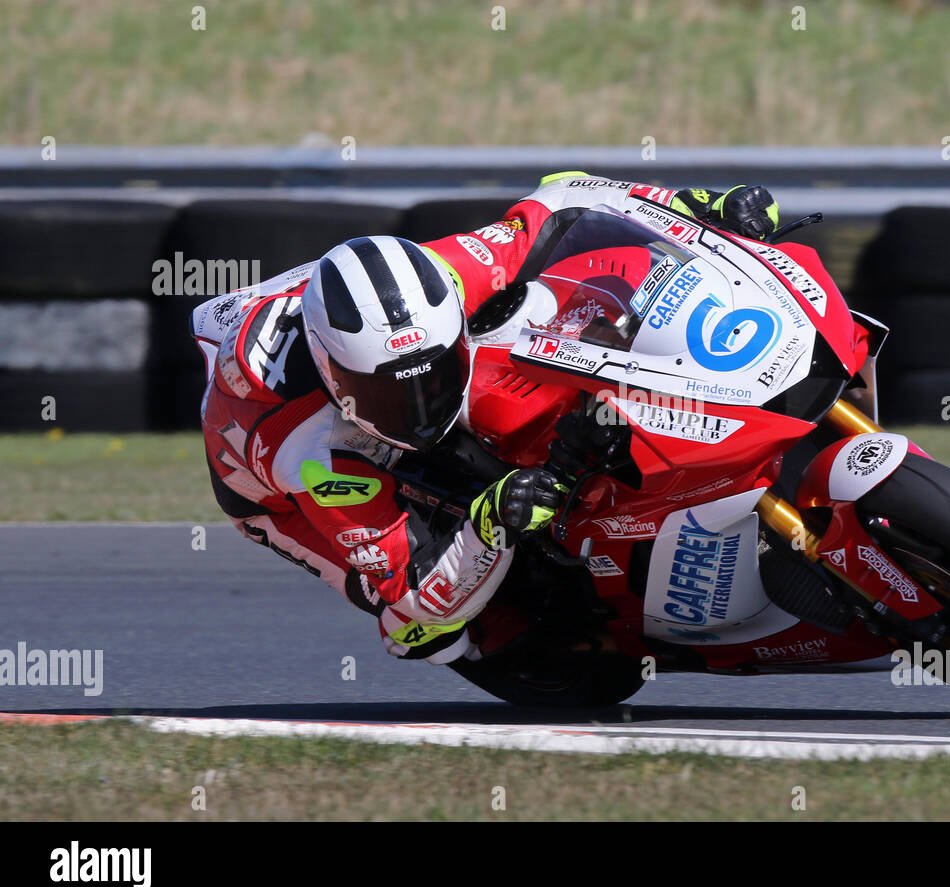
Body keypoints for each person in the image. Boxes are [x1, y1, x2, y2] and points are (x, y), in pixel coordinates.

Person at [191, 173, 779, 667]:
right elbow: (414, 605)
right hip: (271, 488)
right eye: (396, 395)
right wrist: (491, 523)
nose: (423, 408)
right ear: (334, 375)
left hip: (355, 354)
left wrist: (694, 206)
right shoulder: (305, 450)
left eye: (435, 376)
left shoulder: (454, 271)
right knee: (424, 631)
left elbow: (565, 197)